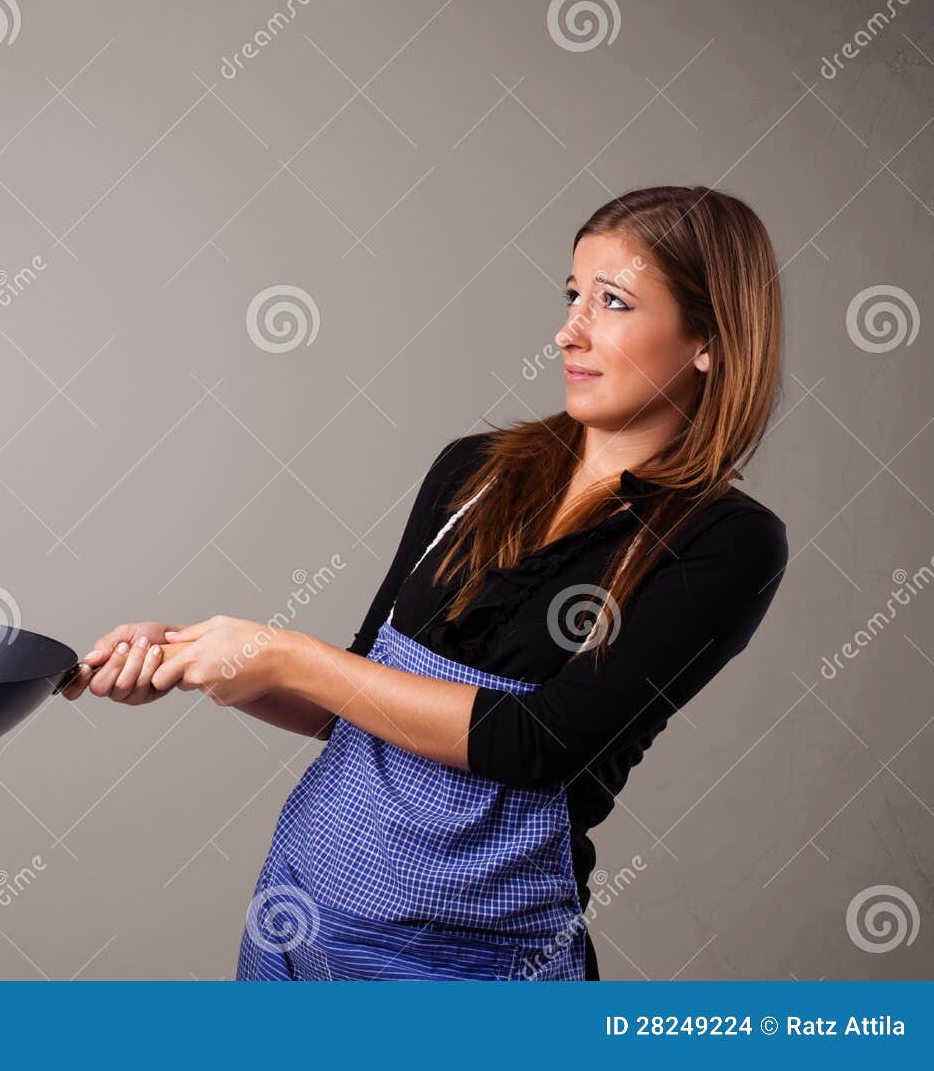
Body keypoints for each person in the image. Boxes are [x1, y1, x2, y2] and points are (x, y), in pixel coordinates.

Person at [63, 185, 790, 981]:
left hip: (466, 960)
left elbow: (539, 742)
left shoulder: (725, 542)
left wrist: (284, 652)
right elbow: (354, 699)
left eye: (612, 303)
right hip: (298, 912)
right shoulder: (474, 472)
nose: (568, 330)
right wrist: (199, 658)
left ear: (709, 341)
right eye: (573, 295)